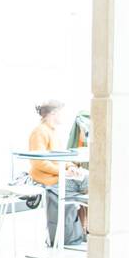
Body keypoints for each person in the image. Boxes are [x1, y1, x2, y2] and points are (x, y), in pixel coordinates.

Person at [28, 100, 88, 248]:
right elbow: (39, 162)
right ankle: (84, 229)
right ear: (53, 113)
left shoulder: (53, 132)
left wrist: (71, 167)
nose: (64, 115)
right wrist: (64, 171)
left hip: (59, 176)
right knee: (93, 182)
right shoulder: (40, 132)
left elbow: (61, 157)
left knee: (90, 180)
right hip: (50, 180)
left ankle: (83, 228)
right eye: (62, 112)